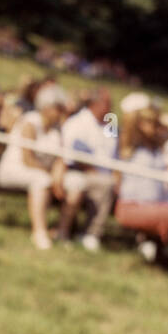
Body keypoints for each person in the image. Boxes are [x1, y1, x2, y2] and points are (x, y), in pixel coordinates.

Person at [0, 83, 69, 249]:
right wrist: (51, 177)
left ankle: (62, 232)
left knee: (73, 183)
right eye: (59, 108)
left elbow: (60, 159)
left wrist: (58, 175)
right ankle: (39, 232)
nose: (62, 112)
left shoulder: (57, 129)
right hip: (14, 170)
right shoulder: (30, 122)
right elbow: (28, 159)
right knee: (41, 180)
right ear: (47, 107)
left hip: (38, 173)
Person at [113, 94, 168, 261]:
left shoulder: (157, 146)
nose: (156, 126)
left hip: (156, 202)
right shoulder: (128, 143)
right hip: (135, 203)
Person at [58, 88, 116, 250]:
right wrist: (92, 169)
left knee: (109, 182)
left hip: (104, 175)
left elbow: (115, 155)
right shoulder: (77, 123)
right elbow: (71, 154)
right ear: (95, 103)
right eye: (107, 103)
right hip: (78, 172)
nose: (111, 107)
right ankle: (91, 233)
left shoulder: (111, 124)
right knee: (105, 184)